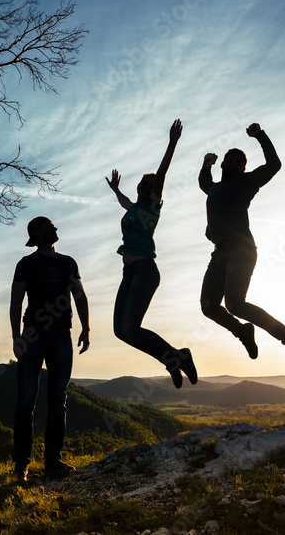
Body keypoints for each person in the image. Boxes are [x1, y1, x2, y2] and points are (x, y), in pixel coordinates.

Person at [199, 123, 285, 373]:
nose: (236, 165)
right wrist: (206, 164)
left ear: (244, 169)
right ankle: (242, 331)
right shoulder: (213, 188)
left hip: (241, 251)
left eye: (240, 163)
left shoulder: (247, 183)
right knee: (208, 306)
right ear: (223, 165)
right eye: (232, 161)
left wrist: (260, 135)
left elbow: (274, 165)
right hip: (219, 254)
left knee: (235, 304)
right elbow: (204, 181)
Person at [105, 119, 197, 389]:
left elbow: (163, 173)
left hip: (145, 271)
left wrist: (172, 142)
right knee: (120, 331)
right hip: (129, 273)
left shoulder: (152, 207)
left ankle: (179, 356)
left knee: (131, 328)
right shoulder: (133, 209)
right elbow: (125, 203)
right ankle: (171, 359)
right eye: (143, 185)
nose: (146, 188)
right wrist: (115, 190)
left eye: (151, 186)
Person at [9, 217, 90, 481]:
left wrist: (86, 328)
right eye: (50, 226)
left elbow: (79, 295)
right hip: (32, 335)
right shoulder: (27, 263)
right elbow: (16, 302)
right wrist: (16, 337)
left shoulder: (68, 262)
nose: (56, 229)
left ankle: (52, 461)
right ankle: (21, 464)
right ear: (37, 233)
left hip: (61, 336)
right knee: (25, 401)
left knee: (58, 400)